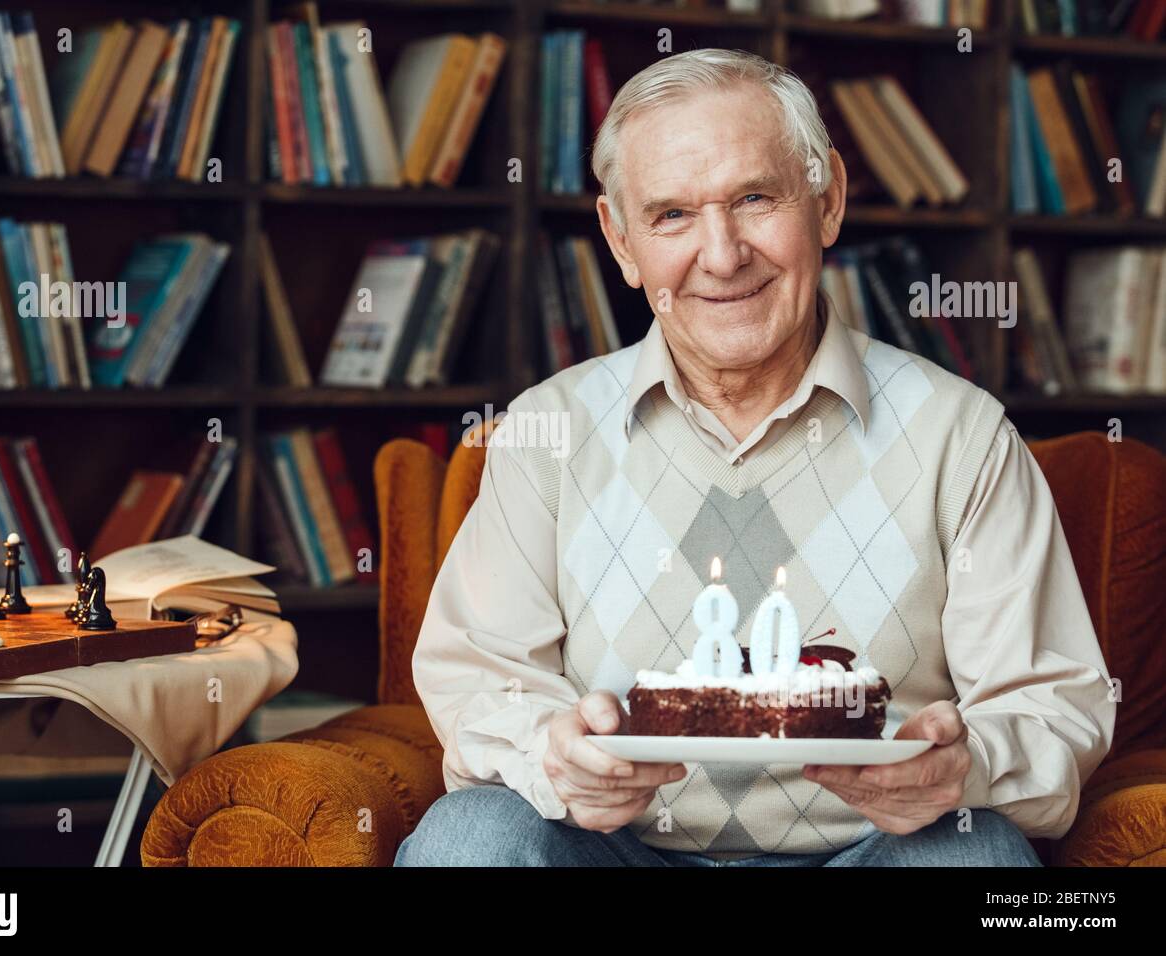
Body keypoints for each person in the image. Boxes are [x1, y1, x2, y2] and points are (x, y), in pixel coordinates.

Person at [396, 48, 1115, 867]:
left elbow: (1055, 710)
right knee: (474, 837)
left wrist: (966, 766)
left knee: (971, 853)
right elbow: (481, 677)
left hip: (875, 853)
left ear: (829, 200)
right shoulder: (545, 430)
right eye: (671, 215)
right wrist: (555, 756)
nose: (724, 252)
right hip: (613, 853)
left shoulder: (963, 437)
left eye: (754, 199)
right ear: (621, 241)